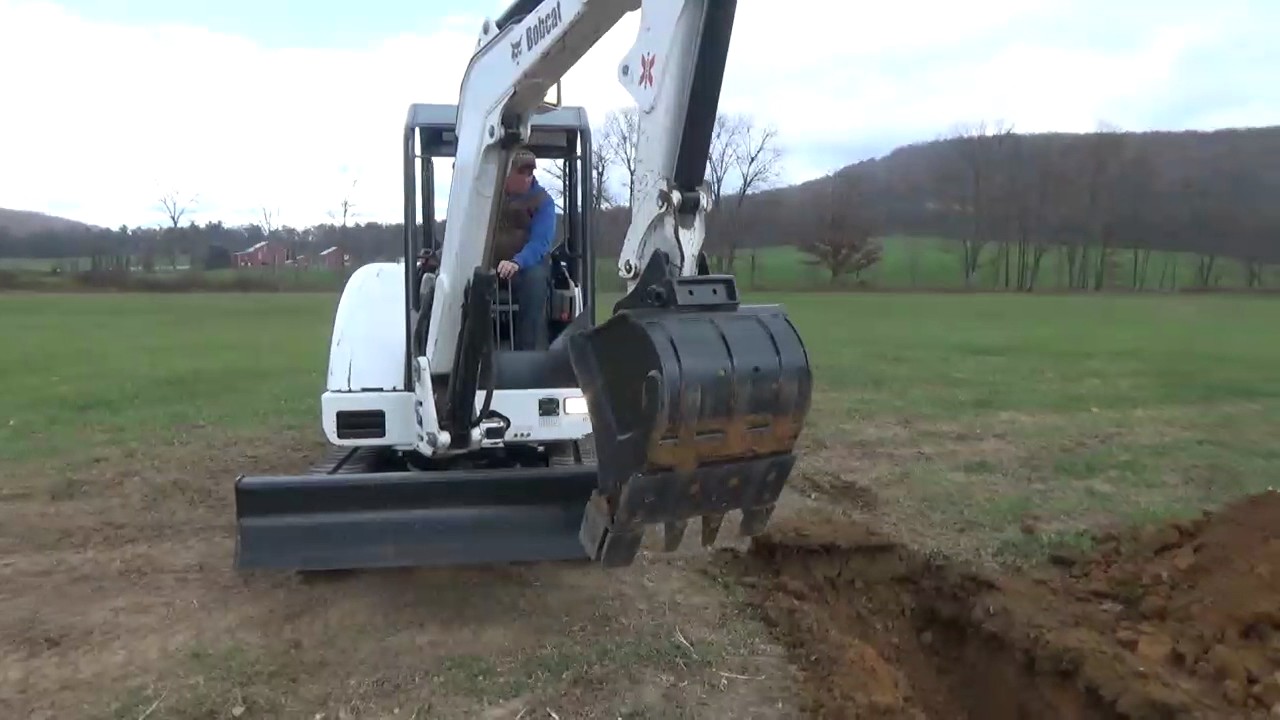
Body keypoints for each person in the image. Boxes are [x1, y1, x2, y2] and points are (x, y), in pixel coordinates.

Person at [493, 146, 556, 350]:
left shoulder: (543, 202)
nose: (527, 178)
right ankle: (474, 352)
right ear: (506, 172)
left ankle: (525, 354)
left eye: (530, 173)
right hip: (491, 265)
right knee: (469, 281)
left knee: (536, 280)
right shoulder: (487, 196)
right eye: (521, 172)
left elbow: (540, 242)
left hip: (525, 266)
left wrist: (516, 262)